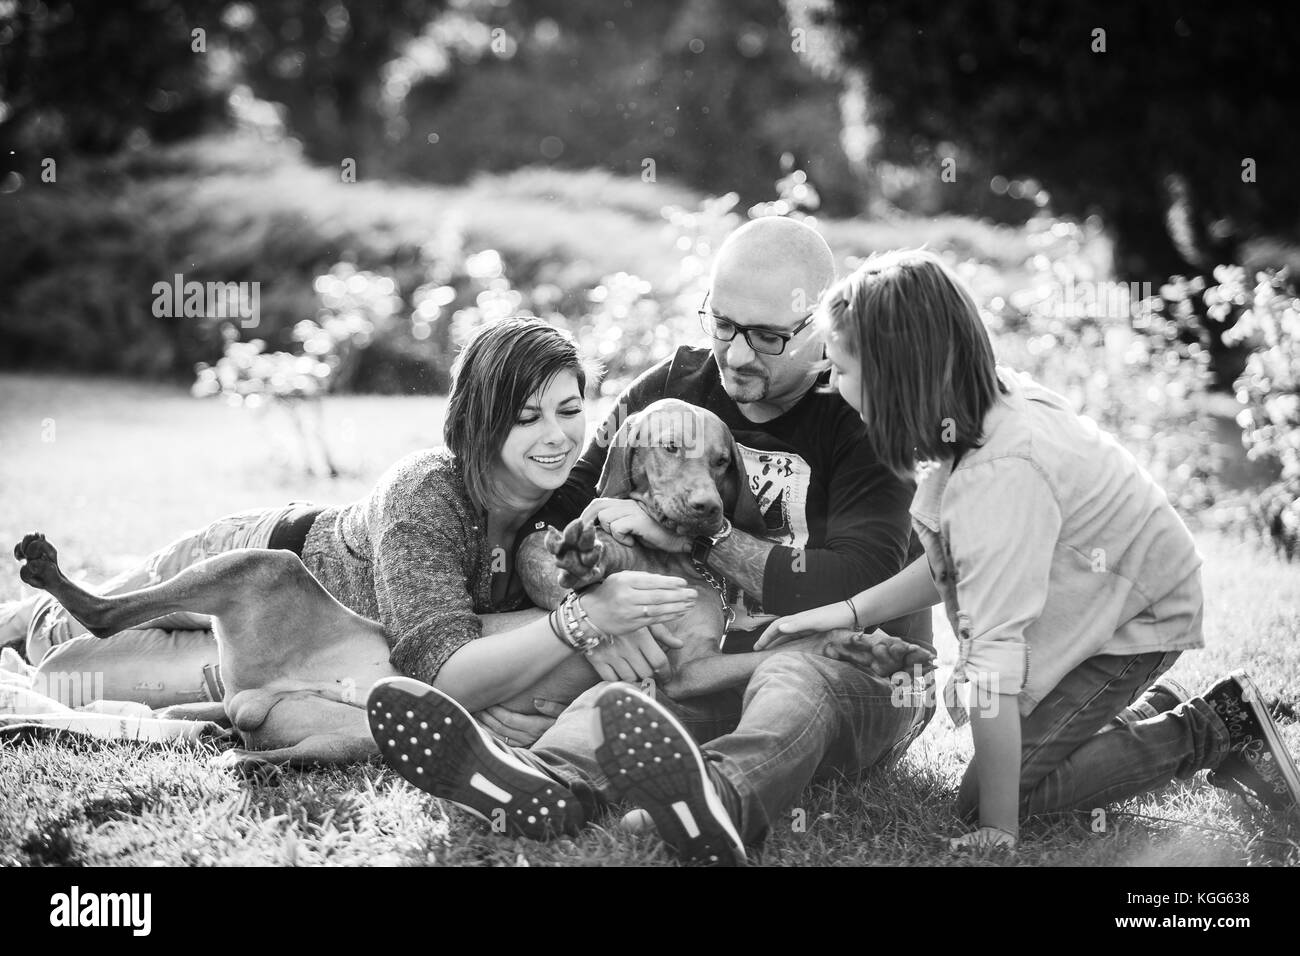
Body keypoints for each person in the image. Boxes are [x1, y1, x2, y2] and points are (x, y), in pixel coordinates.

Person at [367, 218, 939, 864]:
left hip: (859, 668)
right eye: (722, 325)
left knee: (792, 672)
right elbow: (547, 528)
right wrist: (597, 614)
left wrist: (705, 536)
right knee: (632, 696)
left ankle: (721, 797)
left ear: (820, 329)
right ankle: (539, 781)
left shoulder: (862, 409)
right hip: (708, 669)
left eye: (769, 337)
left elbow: (859, 580)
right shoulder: (672, 391)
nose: (738, 355)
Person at [755, 248, 1300, 849]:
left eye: (846, 369)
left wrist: (998, 828)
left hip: (1134, 616)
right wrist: (848, 612)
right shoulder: (975, 411)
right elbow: (954, 563)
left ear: (894, 376)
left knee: (990, 797)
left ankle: (1216, 726)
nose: (832, 382)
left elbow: (995, 669)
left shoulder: (1002, 473)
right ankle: (1153, 714)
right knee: (1006, 773)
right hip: (1105, 591)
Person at [4, 319, 696, 742]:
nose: (557, 436)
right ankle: (25, 611)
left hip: (303, 644)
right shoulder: (429, 492)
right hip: (257, 558)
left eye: (569, 409)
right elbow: (437, 665)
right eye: (526, 416)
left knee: (102, 671)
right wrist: (582, 624)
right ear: (479, 420)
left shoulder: (562, 503)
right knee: (59, 629)